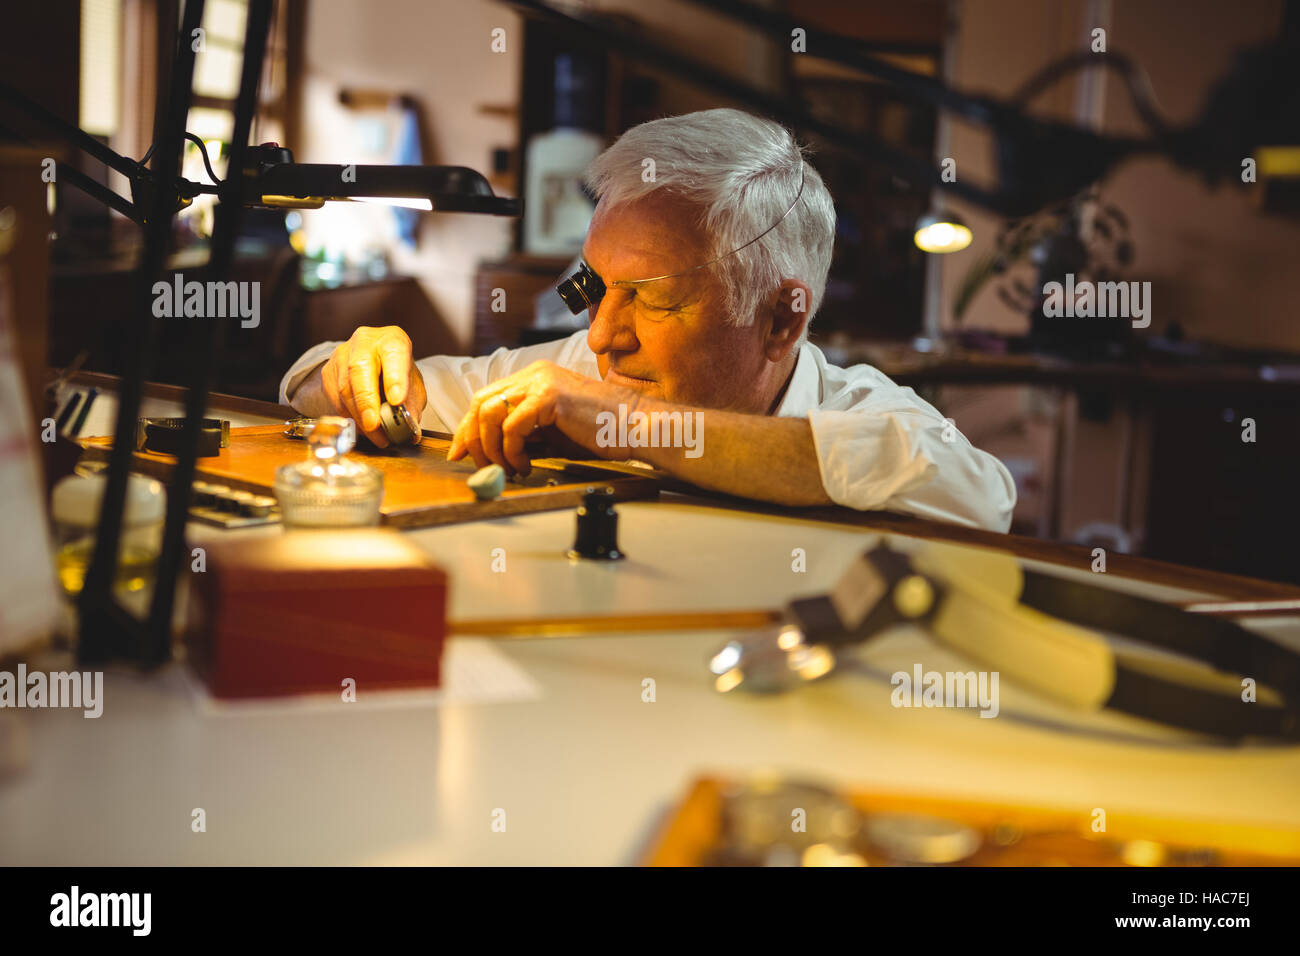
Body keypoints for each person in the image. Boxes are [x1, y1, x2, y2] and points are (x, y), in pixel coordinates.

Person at [281, 109, 1016, 531]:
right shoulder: (569, 371)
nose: (601, 336)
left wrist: (627, 423)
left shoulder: (861, 413)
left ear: (781, 321)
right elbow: (309, 385)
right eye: (595, 289)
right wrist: (354, 370)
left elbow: (982, 498)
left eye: (655, 297)